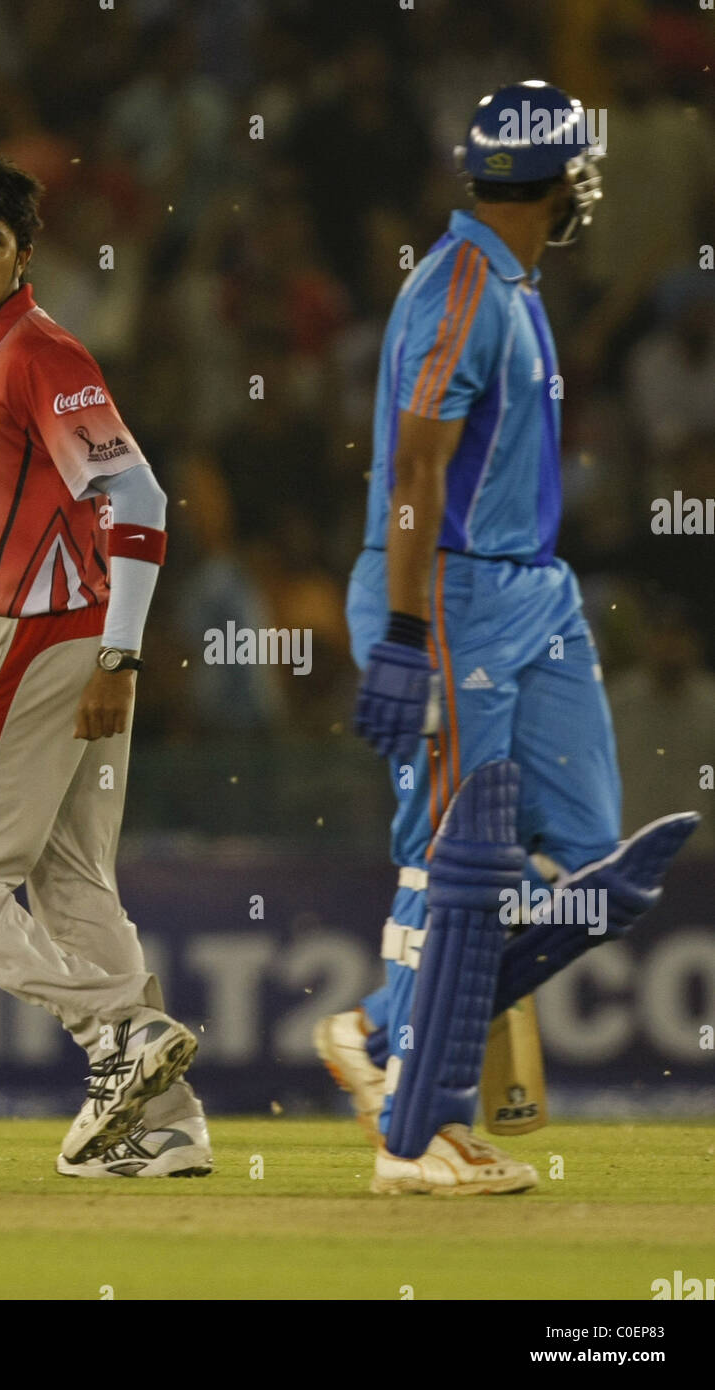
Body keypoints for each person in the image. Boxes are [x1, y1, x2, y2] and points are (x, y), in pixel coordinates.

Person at [315, 84, 697, 1194]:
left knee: (591, 871)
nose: (588, 190)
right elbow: (415, 472)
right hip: (448, 598)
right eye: (581, 173)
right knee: (450, 857)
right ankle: (416, 1129)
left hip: (534, 594)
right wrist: (397, 629)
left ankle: (382, 1030)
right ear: (555, 182)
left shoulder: (513, 286)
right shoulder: (460, 286)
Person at [0, 153, 210, 1179]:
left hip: (45, 641)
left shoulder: (41, 355)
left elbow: (138, 503)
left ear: (25, 252)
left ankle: (117, 1032)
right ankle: (164, 1125)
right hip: (62, 635)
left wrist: (118, 652)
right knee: (73, 884)